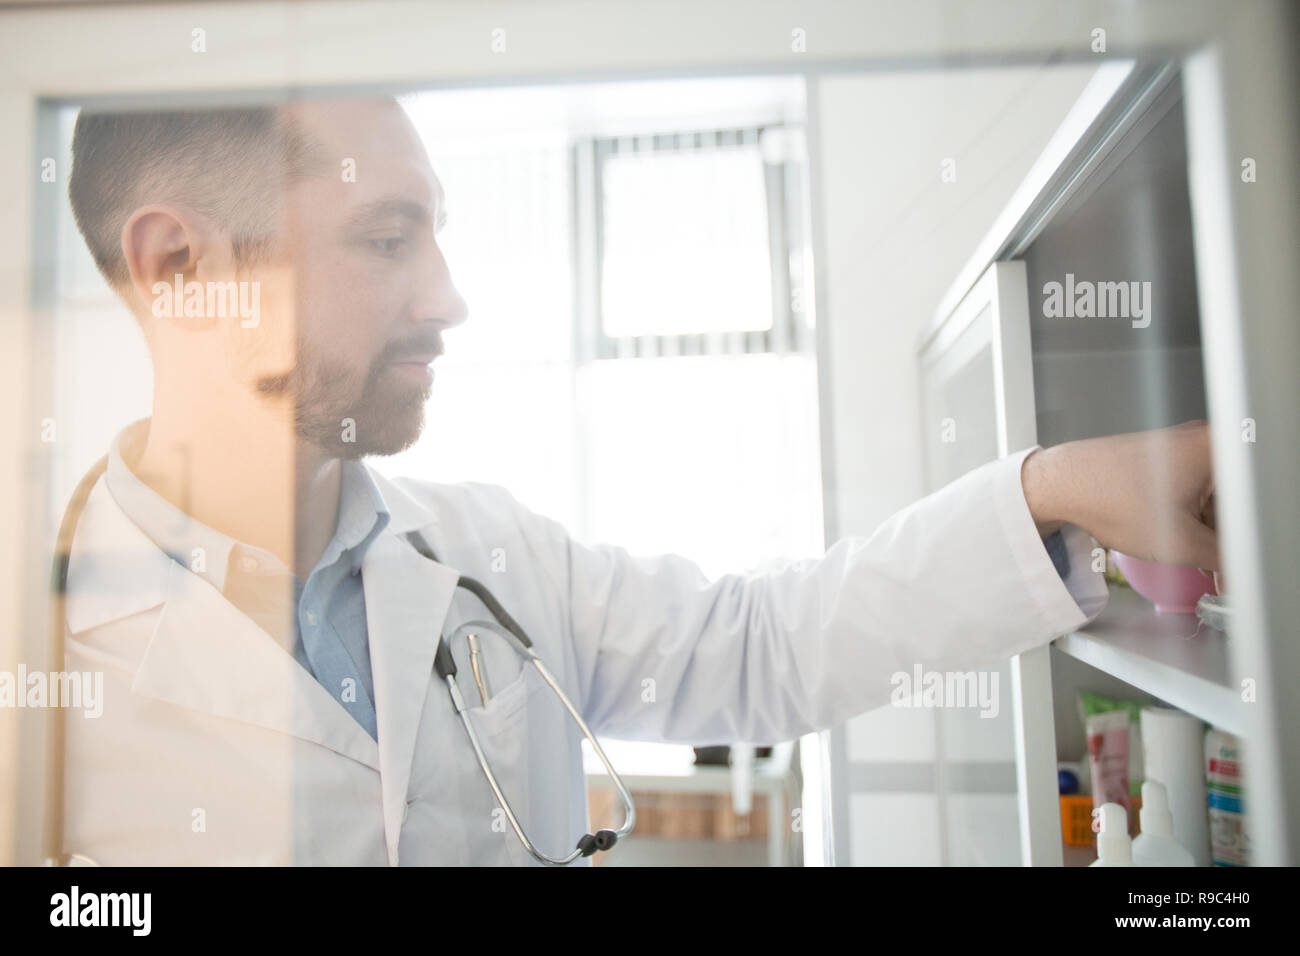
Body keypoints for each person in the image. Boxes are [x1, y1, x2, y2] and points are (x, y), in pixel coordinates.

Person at [56, 97, 1218, 865]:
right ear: (183, 266)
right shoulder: (39, 678)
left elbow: (764, 645)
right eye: (386, 237)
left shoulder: (482, 554)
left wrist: (1054, 486)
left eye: (437, 234)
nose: (449, 295)